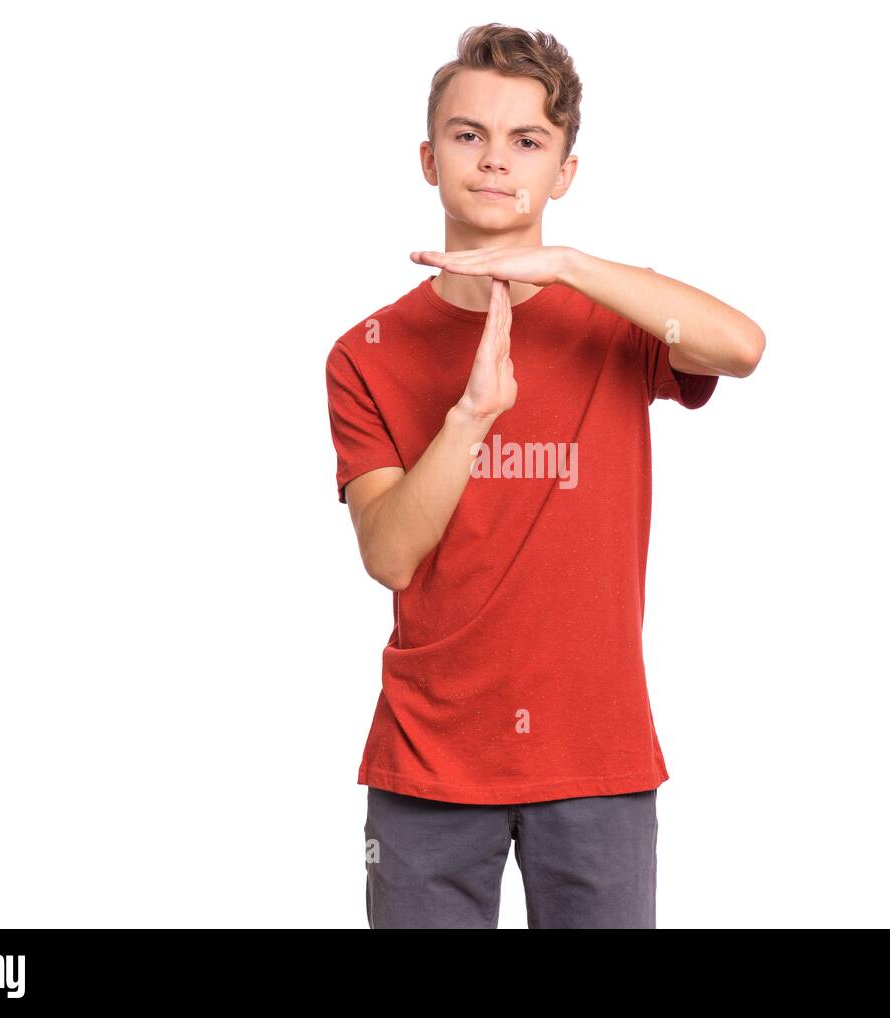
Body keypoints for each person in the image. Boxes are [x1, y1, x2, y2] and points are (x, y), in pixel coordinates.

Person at [325, 23, 765, 929]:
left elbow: (744, 348)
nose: (495, 161)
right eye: (468, 135)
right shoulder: (365, 352)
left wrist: (563, 266)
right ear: (427, 157)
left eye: (528, 141)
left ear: (564, 171)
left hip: (595, 758)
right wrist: (470, 417)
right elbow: (391, 555)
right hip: (430, 761)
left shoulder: (609, 317)